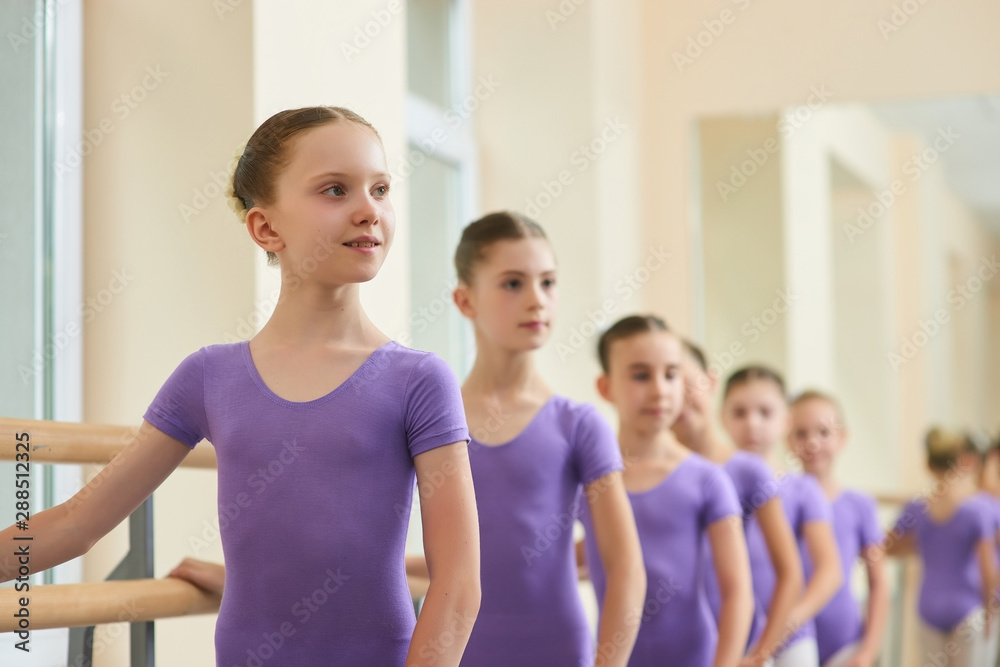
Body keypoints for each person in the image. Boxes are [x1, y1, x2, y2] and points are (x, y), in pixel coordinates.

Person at [0, 106, 482, 666]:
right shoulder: (209, 377)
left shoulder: (418, 381)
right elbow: (76, 525)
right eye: (335, 190)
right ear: (266, 228)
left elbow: (459, 584)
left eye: (379, 189)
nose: (369, 210)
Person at [407, 211, 646, 666]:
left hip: (560, 652)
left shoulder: (579, 425)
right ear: (465, 300)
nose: (537, 300)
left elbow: (625, 569)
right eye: (513, 284)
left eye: (548, 282)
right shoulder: (430, 421)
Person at [581, 314, 753, 666]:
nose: (659, 390)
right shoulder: (588, 480)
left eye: (671, 375)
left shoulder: (707, 480)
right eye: (641, 375)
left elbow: (737, 591)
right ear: (606, 387)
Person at [671, 342, 803, 666]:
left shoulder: (747, 471)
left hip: (737, 649)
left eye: (686, 382)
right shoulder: (646, 473)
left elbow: (790, 572)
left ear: (710, 382)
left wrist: (759, 654)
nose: (675, 394)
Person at [721, 366, 843, 667]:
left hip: (791, 639)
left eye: (765, 412)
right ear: (722, 418)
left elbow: (829, 571)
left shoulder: (803, 490)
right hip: (731, 635)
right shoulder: (713, 484)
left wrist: (783, 627)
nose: (752, 423)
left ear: (786, 420)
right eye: (739, 413)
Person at [787, 390, 889, 667]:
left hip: (844, 647)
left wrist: (868, 651)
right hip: (789, 643)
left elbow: (879, 583)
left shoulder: (860, 505)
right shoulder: (777, 503)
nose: (812, 442)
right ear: (787, 439)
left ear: (842, 437)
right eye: (801, 434)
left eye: (823, 432)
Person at [886, 427, 999, 666]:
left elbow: (888, 547)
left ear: (928, 465)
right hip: (968, 608)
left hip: (929, 606)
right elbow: (988, 569)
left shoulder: (918, 507)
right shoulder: (980, 508)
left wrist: (926, 539)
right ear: (962, 462)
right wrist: (990, 615)